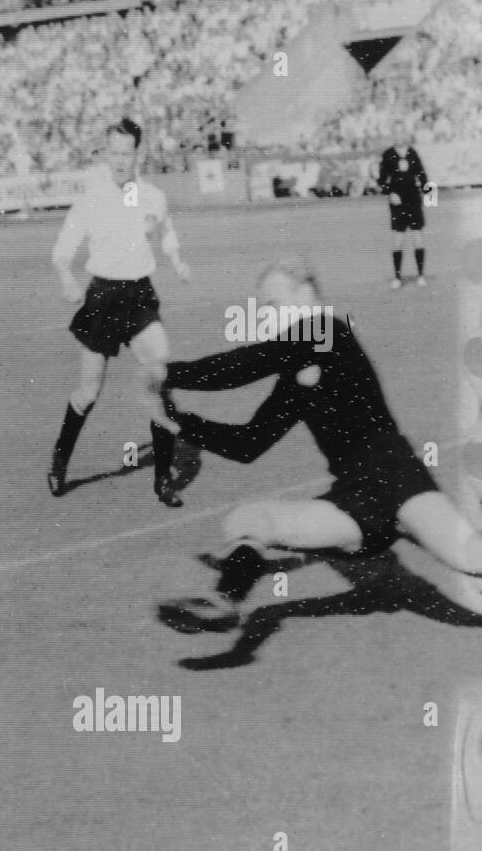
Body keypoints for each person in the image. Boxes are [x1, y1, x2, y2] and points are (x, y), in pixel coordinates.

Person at [159, 256, 482, 631]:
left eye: (272, 305)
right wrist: (180, 423)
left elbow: (243, 366)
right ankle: (224, 601)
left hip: (397, 481)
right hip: (353, 503)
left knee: (472, 557)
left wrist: (164, 372)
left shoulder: (328, 331)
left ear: (306, 292)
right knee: (247, 519)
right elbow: (249, 443)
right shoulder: (296, 371)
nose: (265, 316)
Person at [47, 118, 192, 507]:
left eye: (126, 153)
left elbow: (168, 230)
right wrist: (66, 278)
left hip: (141, 296)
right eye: (113, 153)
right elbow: (63, 248)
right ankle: (60, 460)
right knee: (89, 390)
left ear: (137, 154)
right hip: (102, 297)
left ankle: (163, 480)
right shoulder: (91, 198)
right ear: (105, 153)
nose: (120, 160)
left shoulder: (154, 197)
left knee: (160, 381)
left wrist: (176, 259)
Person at [377, 118, 430, 289]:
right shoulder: (388, 155)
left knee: (418, 237)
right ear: (393, 134)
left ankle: (421, 275)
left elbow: (422, 176)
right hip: (397, 203)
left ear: (406, 134)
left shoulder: (412, 153)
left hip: (413, 200)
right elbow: (382, 180)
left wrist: (428, 195)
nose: (399, 135)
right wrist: (390, 193)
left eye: (402, 132)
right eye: (396, 132)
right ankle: (397, 278)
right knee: (398, 240)